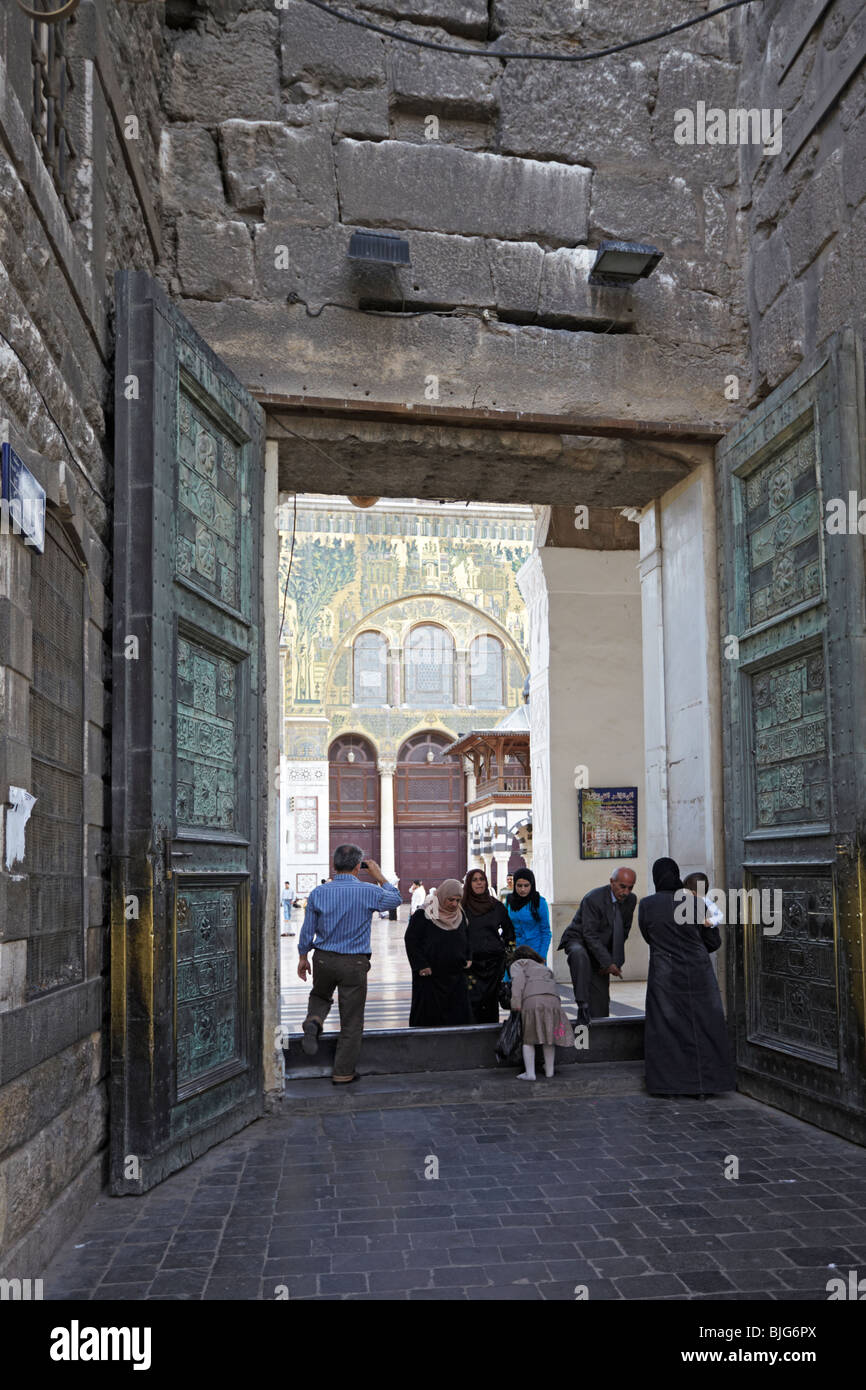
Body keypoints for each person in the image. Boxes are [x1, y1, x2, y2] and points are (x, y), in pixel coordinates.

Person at [297, 845, 401, 1084]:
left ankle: (314, 1020)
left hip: (323, 957)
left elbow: (307, 931)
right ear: (358, 866)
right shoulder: (367, 891)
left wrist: (303, 957)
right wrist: (378, 875)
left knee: (320, 996)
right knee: (352, 1020)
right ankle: (343, 1073)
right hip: (354, 963)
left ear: (334, 866)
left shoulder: (318, 892)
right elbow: (395, 899)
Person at [638, 857, 736, 1098]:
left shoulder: (647, 904)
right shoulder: (694, 903)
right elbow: (713, 941)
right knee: (703, 1024)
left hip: (664, 971)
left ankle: (669, 1084)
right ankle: (705, 1084)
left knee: (666, 1026)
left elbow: (648, 936)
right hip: (698, 971)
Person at [558, 867, 637, 1026]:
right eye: (622, 886)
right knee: (579, 955)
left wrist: (613, 962)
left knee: (600, 1006)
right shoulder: (594, 898)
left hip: (601, 947)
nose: (626, 892)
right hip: (579, 940)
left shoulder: (631, 900)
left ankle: (595, 1039)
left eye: (630, 887)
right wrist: (607, 962)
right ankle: (582, 1005)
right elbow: (589, 934)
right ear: (612, 882)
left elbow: (623, 932)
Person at [404, 879, 473, 1027]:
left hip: (455, 976)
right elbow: (411, 941)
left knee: (457, 1017)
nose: (454, 904)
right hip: (430, 977)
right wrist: (421, 965)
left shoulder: (460, 914)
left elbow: (467, 937)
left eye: (458, 900)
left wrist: (468, 957)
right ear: (442, 897)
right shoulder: (426, 913)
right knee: (430, 1018)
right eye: (450, 900)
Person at [509, 945, 574, 1080]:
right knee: (549, 1038)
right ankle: (549, 1071)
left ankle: (530, 1073)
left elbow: (518, 983)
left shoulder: (518, 964)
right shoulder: (545, 968)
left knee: (528, 1039)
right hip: (553, 1002)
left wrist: (516, 1003)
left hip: (533, 1001)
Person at [462, 869, 515, 1023]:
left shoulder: (495, 906)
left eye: (482, 879)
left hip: (494, 964)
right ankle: (473, 1039)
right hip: (471, 965)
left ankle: (489, 1037)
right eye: (474, 880)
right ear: (468, 884)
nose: (479, 882)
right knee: (472, 1000)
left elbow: (509, 931)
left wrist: (506, 953)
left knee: (490, 1001)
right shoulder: (462, 907)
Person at [505, 869, 551, 960]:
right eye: (519, 885)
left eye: (526, 885)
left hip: (535, 949)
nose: (523, 889)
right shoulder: (510, 901)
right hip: (515, 949)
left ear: (532, 885)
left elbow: (546, 932)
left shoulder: (539, 902)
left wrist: (541, 956)